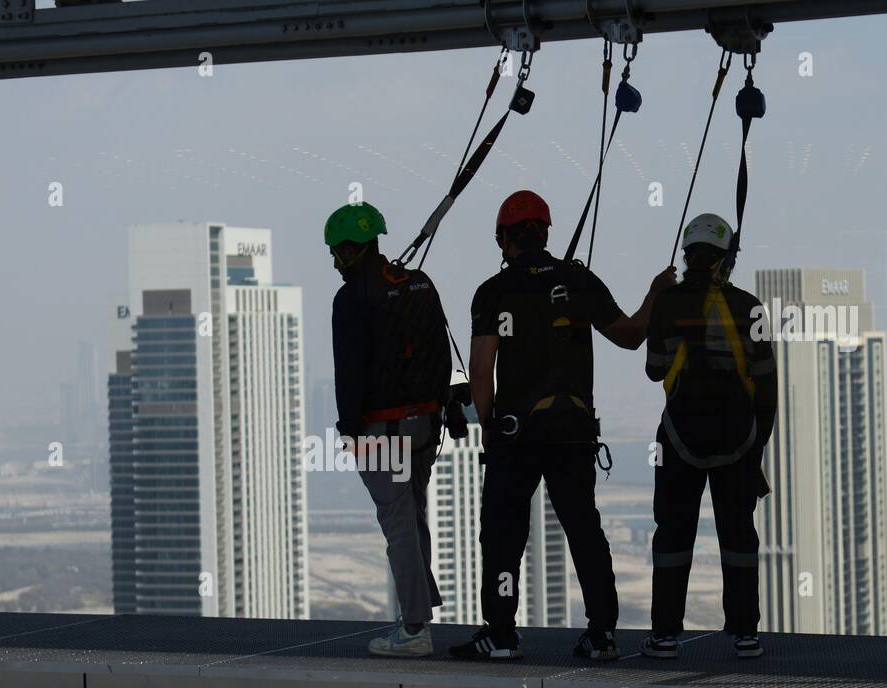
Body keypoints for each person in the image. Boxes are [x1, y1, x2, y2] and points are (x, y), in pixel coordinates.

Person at [450, 190, 675, 662]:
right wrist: (656, 293)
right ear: (544, 232)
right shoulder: (579, 280)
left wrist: (488, 425)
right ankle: (602, 634)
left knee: (504, 533)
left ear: (503, 238)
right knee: (583, 528)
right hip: (572, 430)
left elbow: (482, 371)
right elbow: (632, 336)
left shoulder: (492, 293)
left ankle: (501, 634)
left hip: (516, 434)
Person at [641, 213, 778, 660]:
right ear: (726, 260)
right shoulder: (750, 307)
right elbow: (767, 387)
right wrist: (756, 447)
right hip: (738, 440)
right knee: (738, 535)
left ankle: (664, 634)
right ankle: (745, 634)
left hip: (679, 438)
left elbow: (654, 369)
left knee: (673, 533)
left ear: (688, 255)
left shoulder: (669, 303)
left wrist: (663, 305)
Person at [326, 202, 452, 657]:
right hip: (426, 424)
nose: (335, 262)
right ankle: (420, 607)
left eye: (337, 252)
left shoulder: (352, 298)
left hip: (382, 430)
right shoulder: (417, 283)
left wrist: (350, 430)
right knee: (413, 515)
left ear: (351, 250)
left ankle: (415, 629)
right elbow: (441, 350)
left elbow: (351, 372)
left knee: (398, 525)